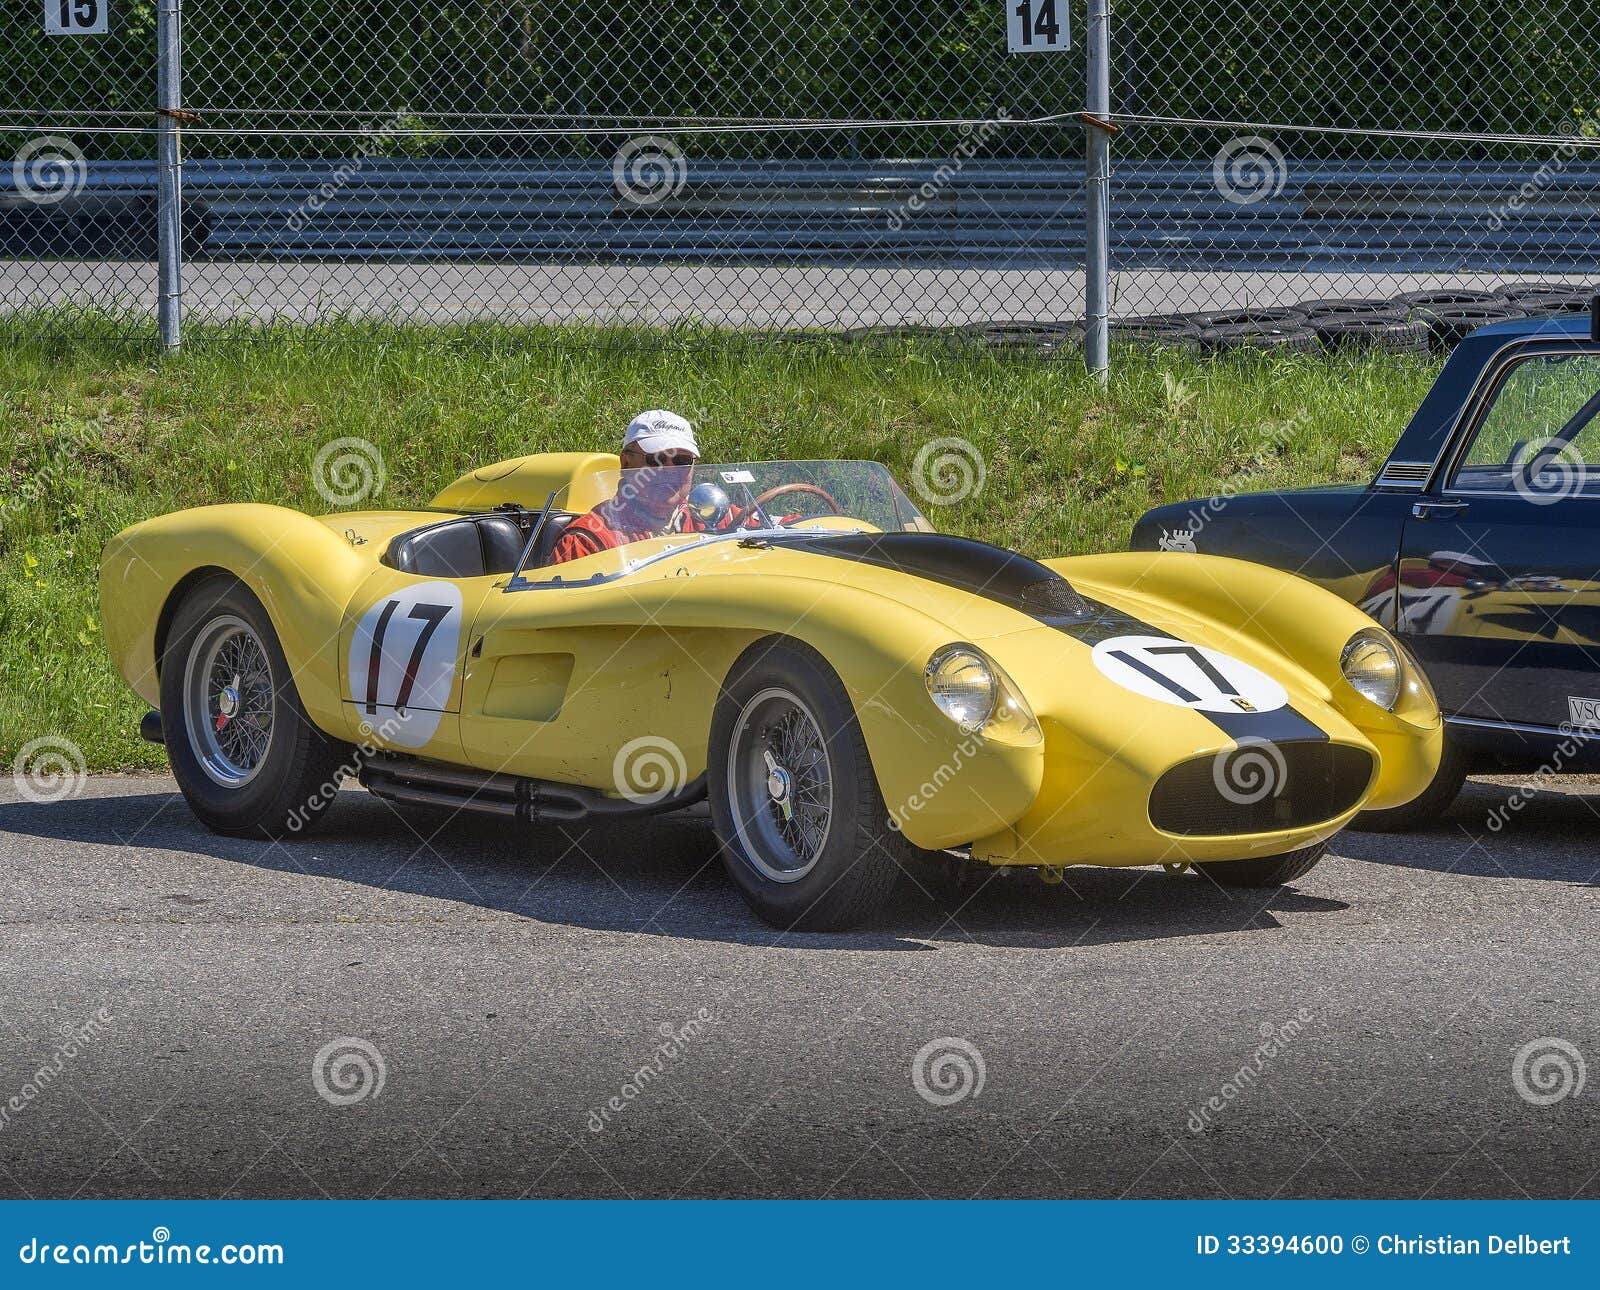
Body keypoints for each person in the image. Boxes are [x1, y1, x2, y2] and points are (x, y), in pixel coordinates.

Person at [547, 410, 704, 564]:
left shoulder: (714, 517)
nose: (669, 470)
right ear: (626, 463)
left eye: (682, 461)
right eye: (656, 460)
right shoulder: (588, 542)